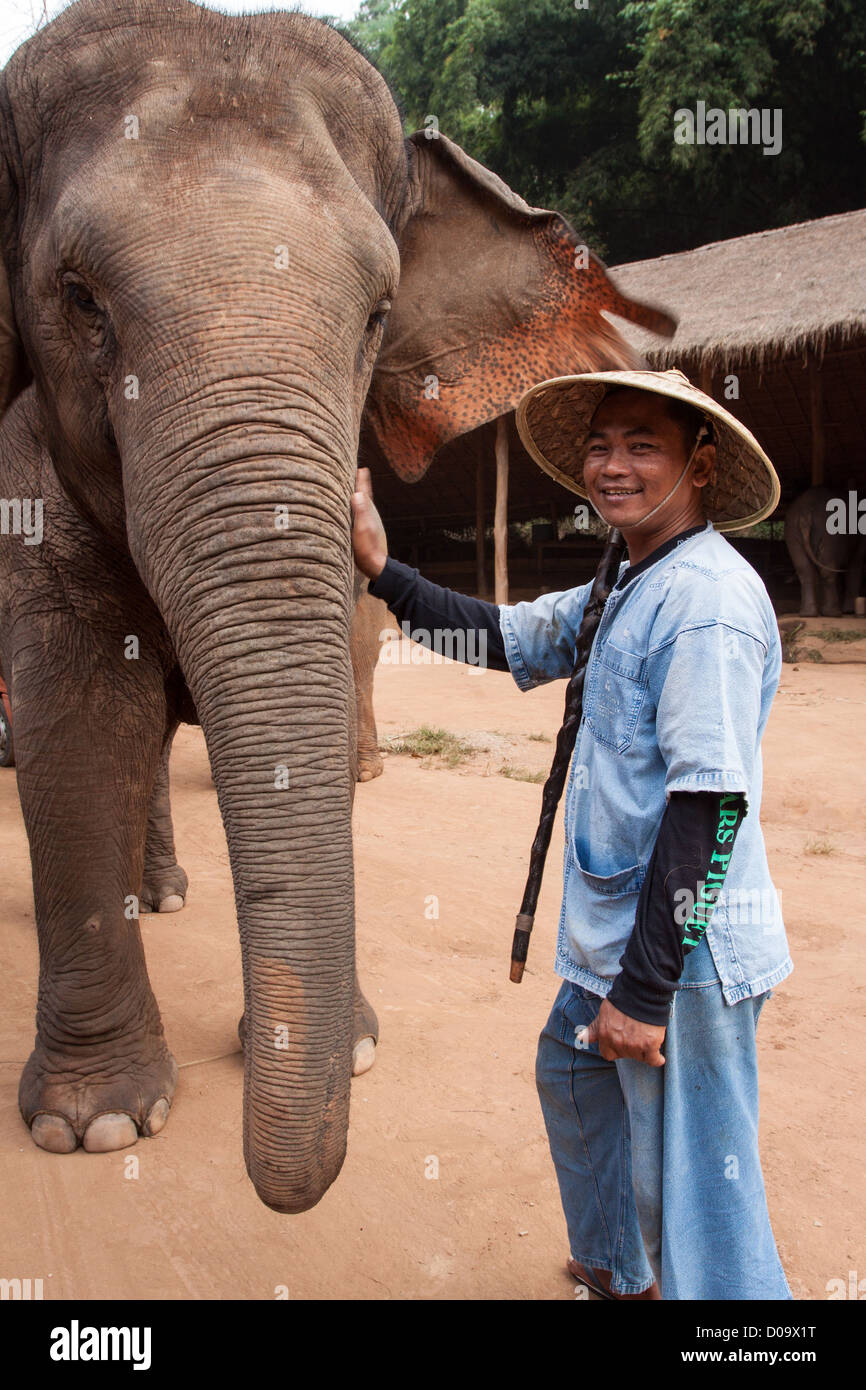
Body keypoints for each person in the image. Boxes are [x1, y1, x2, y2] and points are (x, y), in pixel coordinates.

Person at [352, 367, 792, 1301]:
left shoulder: (703, 601)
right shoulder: (622, 582)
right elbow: (500, 638)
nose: (613, 465)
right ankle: (616, 1271)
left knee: (706, 1201)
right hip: (616, 936)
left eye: (644, 446)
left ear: (700, 466)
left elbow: (708, 803)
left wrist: (641, 992)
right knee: (573, 1071)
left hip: (685, 957)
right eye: (601, 444)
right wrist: (385, 573)